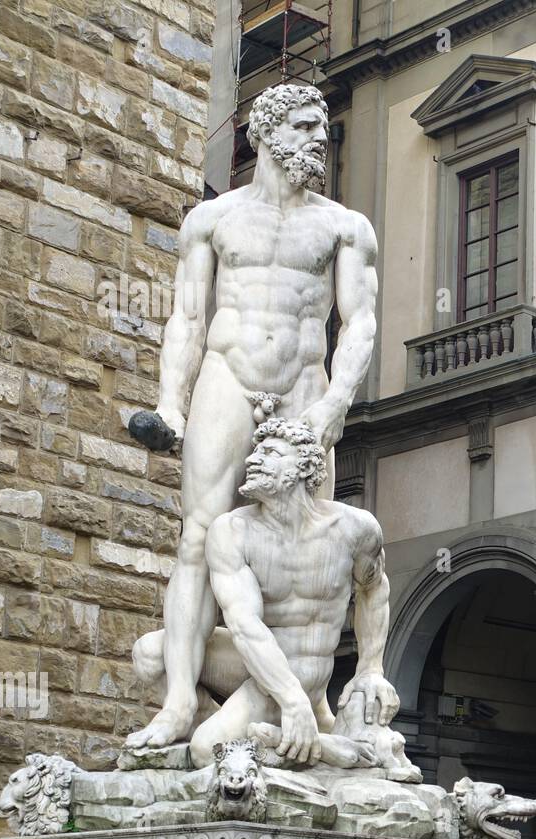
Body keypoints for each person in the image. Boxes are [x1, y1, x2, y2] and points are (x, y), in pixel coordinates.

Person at [126, 84, 379, 750]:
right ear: (265, 133)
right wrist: (168, 405)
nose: (319, 139)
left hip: (303, 388)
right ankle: (180, 701)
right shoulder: (211, 220)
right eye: (304, 126)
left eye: (323, 128)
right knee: (198, 535)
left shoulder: (344, 226)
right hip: (227, 381)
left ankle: (304, 701)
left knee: (306, 546)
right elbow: (186, 318)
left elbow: (360, 324)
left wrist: (333, 405)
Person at [132, 418, 399, 768]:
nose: (253, 460)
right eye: (255, 452)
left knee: (205, 750)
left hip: (305, 666)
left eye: (270, 453)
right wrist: (291, 701)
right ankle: (289, 737)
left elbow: (375, 590)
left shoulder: (354, 528)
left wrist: (371, 668)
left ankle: (281, 739)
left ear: (304, 466)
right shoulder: (231, 530)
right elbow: (244, 625)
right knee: (149, 653)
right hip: (254, 658)